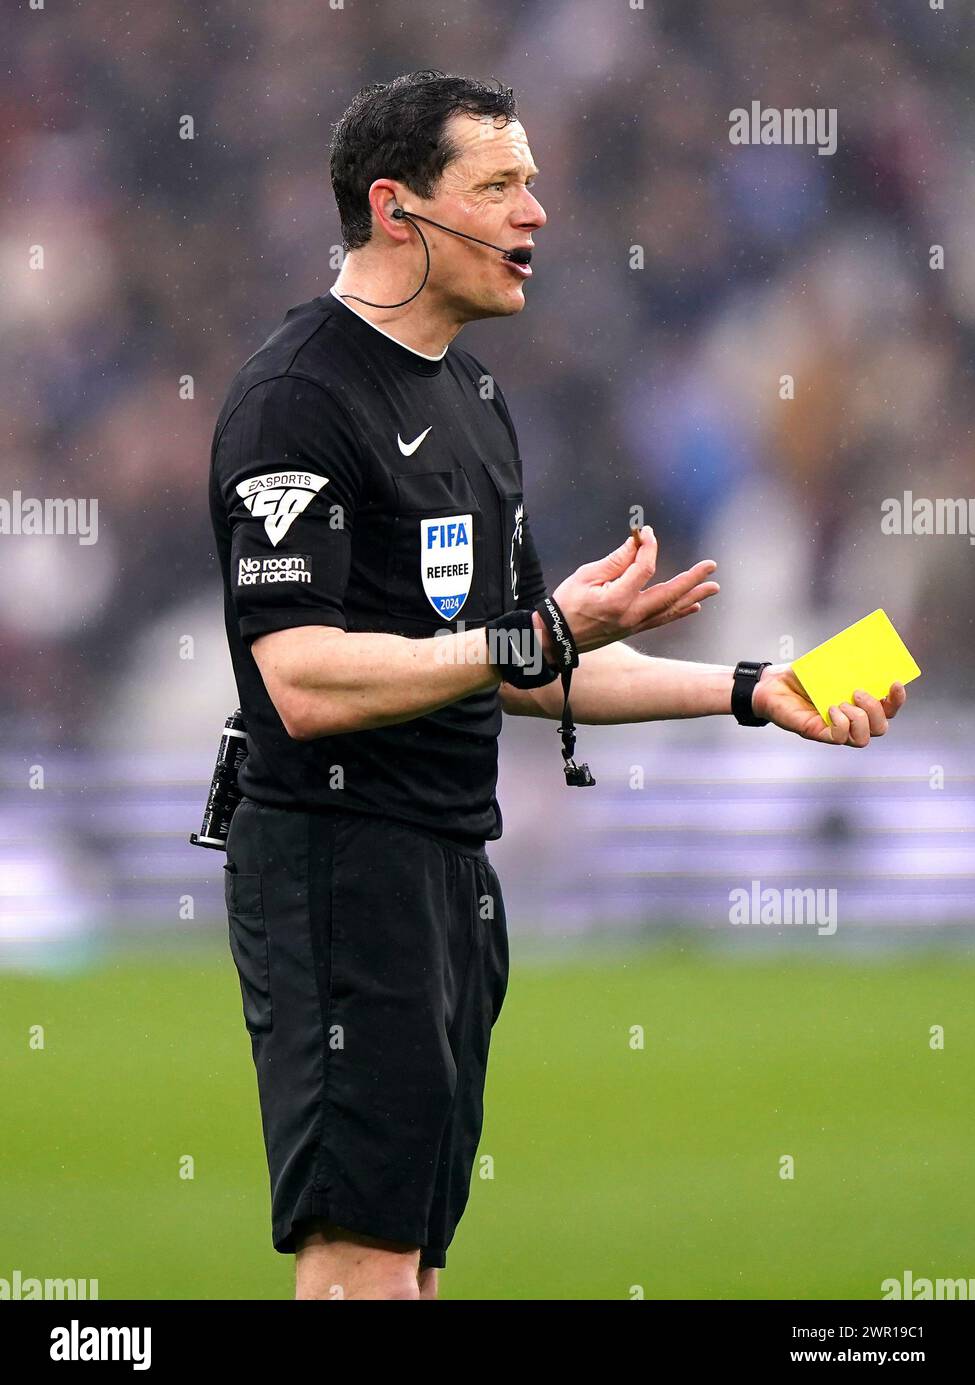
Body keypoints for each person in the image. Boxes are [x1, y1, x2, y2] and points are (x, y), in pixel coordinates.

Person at [209, 70, 906, 1301]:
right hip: (337, 866)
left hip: (447, 873)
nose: (538, 212)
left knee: (413, 1268)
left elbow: (528, 665)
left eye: (532, 181)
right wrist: (525, 637)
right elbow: (299, 681)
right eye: (501, 185)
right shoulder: (296, 399)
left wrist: (756, 687)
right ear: (397, 211)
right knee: (358, 1268)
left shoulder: (471, 396)